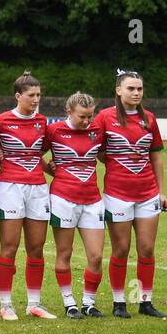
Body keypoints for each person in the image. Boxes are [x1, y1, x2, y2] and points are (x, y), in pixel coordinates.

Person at [93, 69, 167, 318]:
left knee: (146, 249)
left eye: (139, 89)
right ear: (118, 90)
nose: (136, 93)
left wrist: (161, 192)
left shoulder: (149, 118)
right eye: (131, 88)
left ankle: (144, 301)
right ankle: (119, 303)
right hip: (117, 194)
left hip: (147, 194)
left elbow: (155, 156)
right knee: (121, 249)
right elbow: (96, 150)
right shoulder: (104, 117)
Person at [0, 71, 53, 320]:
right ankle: (6, 305)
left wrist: (50, 170)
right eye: (31, 95)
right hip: (9, 188)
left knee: (36, 247)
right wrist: (0, 161)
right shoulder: (0, 121)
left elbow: (39, 152)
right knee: (9, 247)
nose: (36, 99)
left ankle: (33, 303)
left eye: (38, 94)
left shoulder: (43, 122)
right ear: (18, 96)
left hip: (37, 188)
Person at [44, 92, 107, 319]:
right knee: (65, 252)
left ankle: (89, 303)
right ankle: (69, 303)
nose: (86, 121)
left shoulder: (97, 131)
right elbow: (33, 153)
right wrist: (48, 169)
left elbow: (105, 155)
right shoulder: (54, 131)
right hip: (63, 198)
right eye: (82, 116)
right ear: (68, 112)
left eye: (90, 116)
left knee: (96, 256)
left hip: (92, 199)